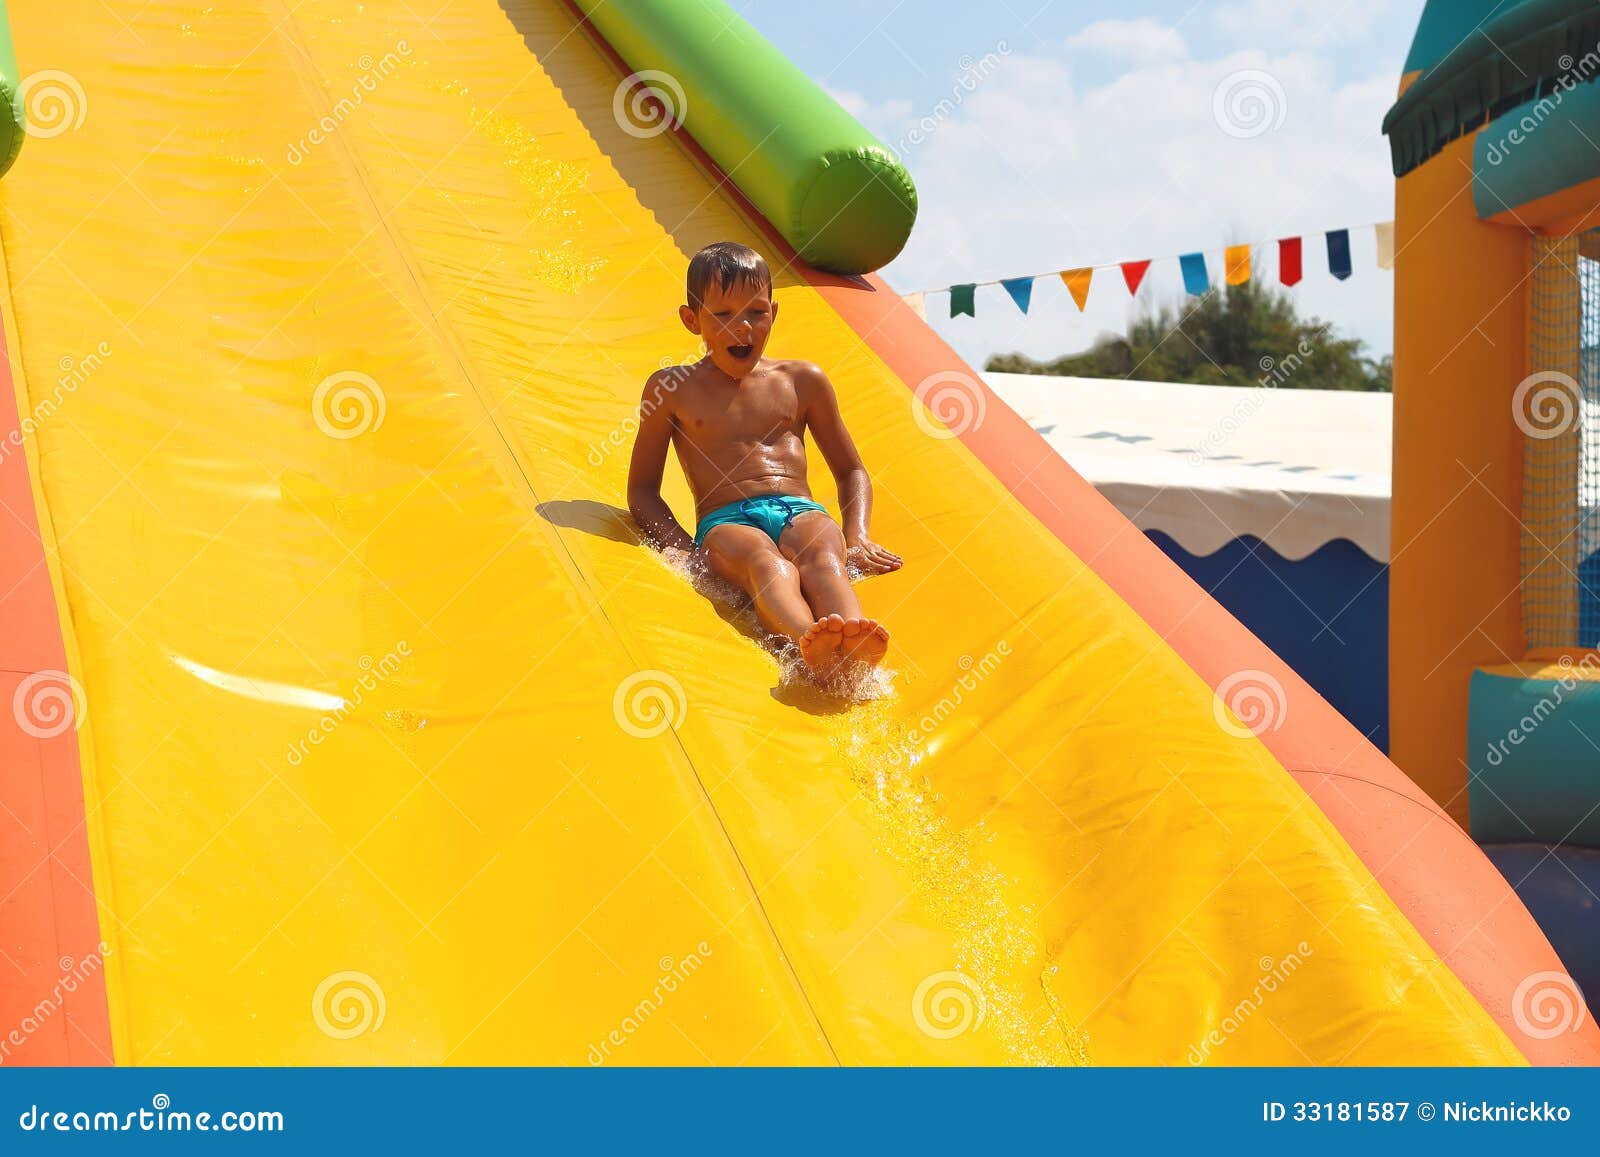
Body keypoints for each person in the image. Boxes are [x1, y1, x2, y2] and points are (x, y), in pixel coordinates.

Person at [627, 241, 902, 679]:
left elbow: (851, 470)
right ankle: (807, 639)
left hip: (801, 510)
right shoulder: (671, 389)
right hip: (726, 521)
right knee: (764, 561)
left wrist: (859, 534)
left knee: (823, 553)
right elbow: (642, 490)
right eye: (723, 314)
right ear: (691, 319)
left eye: (756, 312)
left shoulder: (802, 380)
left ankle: (853, 637)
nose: (743, 328)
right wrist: (680, 546)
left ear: (773, 312)